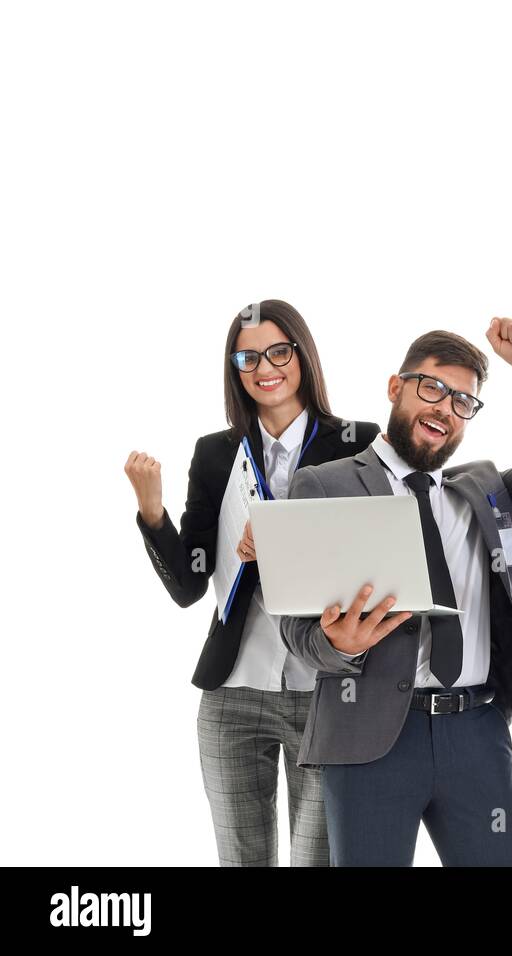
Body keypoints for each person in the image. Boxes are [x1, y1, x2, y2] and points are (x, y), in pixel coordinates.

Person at [279, 320, 512, 866]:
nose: (446, 408)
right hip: (369, 740)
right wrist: (340, 645)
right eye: (433, 388)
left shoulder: (487, 489)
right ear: (395, 388)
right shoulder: (324, 484)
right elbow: (295, 627)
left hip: (476, 733)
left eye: (464, 402)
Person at [124, 298, 378, 866]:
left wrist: (285, 549)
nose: (265, 367)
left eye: (279, 351)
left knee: (317, 859)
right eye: (247, 357)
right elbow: (190, 584)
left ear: (303, 356)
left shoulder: (359, 442)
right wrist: (152, 513)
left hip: (327, 690)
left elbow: (373, 558)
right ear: (235, 369)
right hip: (233, 691)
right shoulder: (215, 454)